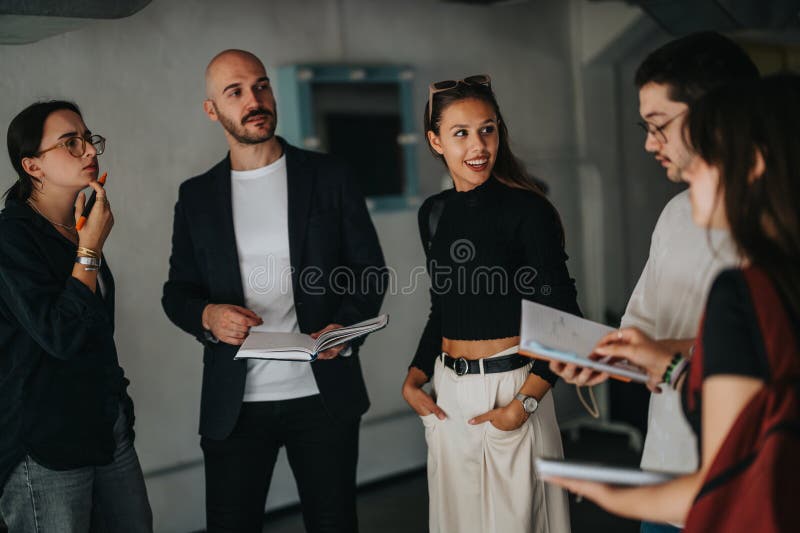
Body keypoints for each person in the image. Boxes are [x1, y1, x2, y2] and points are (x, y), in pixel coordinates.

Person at [546, 75, 800, 532]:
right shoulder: (778, 277)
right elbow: (763, 412)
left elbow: (724, 489)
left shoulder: (743, 291)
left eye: (704, 155)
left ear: (754, 164)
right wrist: (663, 364)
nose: (689, 171)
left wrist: (614, 495)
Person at [161, 50, 386, 533]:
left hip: (323, 395)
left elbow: (370, 271)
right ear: (212, 110)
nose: (254, 99)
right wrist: (208, 316)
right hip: (235, 403)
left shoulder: (329, 175)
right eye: (235, 92)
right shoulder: (196, 196)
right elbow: (177, 292)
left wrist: (345, 326)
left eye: (261, 86)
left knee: (334, 524)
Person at [401, 75, 579, 533]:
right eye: (460, 133)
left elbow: (564, 319)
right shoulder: (435, 213)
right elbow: (443, 308)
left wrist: (526, 403)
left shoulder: (527, 210)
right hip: (449, 396)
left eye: (488, 129)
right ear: (435, 141)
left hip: (513, 387)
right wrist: (415, 377)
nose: (478, 145)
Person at [0, 101, 152, 531]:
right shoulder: (11, 237)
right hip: (45, 441)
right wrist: (89, 251)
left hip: (105, 426)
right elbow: (60, 335)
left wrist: (119, 404)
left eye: (88, 138)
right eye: (71, 143)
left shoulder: (78, 227)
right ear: (33, 166)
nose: (89, 151)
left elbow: (96, 332)